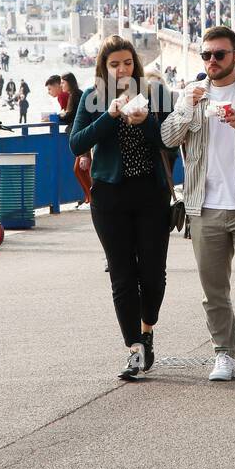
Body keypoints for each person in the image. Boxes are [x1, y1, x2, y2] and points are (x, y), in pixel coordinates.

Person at [160, 26, 235, 383]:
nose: (212, 61)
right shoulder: (191, 94)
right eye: (206, 55)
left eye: (219, 54)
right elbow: (167, 137)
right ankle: (223, 353)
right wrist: (188, 108)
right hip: (204, 205)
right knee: (213, 287)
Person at [70, 36, 174, 380]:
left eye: (127, 63)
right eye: (114, 64)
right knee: (122, 275)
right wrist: (110, 117)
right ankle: (134, 348)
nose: (121, 69)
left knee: (153, 275)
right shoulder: (92, 97)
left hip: (151, 194)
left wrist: (145, 121)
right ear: (104, 67)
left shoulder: (156, 94)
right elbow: (77, 142)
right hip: (110, 197)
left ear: (135, 64)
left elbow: (169, 141)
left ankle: (147, 329)